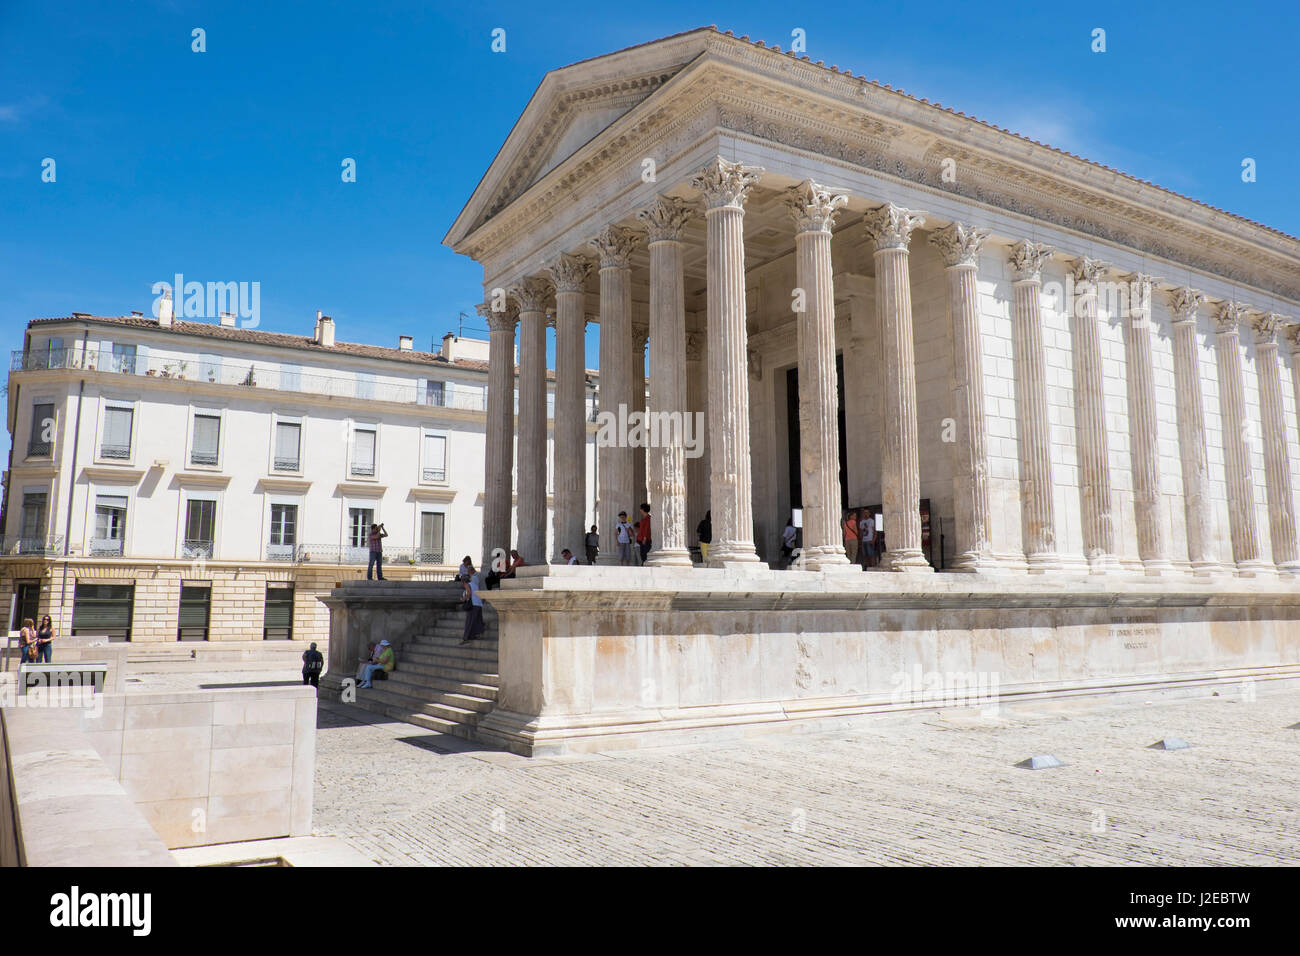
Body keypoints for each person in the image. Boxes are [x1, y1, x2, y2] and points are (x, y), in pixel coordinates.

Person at [461, 567, 486, 644]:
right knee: (477, 620)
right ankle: (476, 634)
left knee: (470, 621)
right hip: (479, 604)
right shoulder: (474, 584)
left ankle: (467, 637)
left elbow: (469, 593)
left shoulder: (467, 585)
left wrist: (463, 599)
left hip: (473, 604)